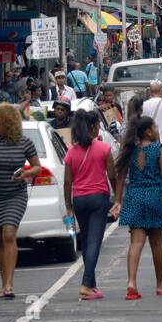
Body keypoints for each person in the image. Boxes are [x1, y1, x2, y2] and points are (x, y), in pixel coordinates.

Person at [0, 103, 41, 299]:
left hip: (15, 195)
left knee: (9, 233)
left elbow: (37, 167)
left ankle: (10, 284)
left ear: (10, 124)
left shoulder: (25, 142)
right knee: (1, 239)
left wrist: (25, 173)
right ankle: (3, 284)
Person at [63, 109, 118, 300]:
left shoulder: (71, 152)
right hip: (98, 198)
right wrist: (118, 199)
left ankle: (92, 283)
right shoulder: (103, 148)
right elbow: (112, 175)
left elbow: (67, 182)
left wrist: (68, 206)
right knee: (95, 241)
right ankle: (86, 284)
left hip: (79, 200)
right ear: (93, 128)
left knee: (86, 241)